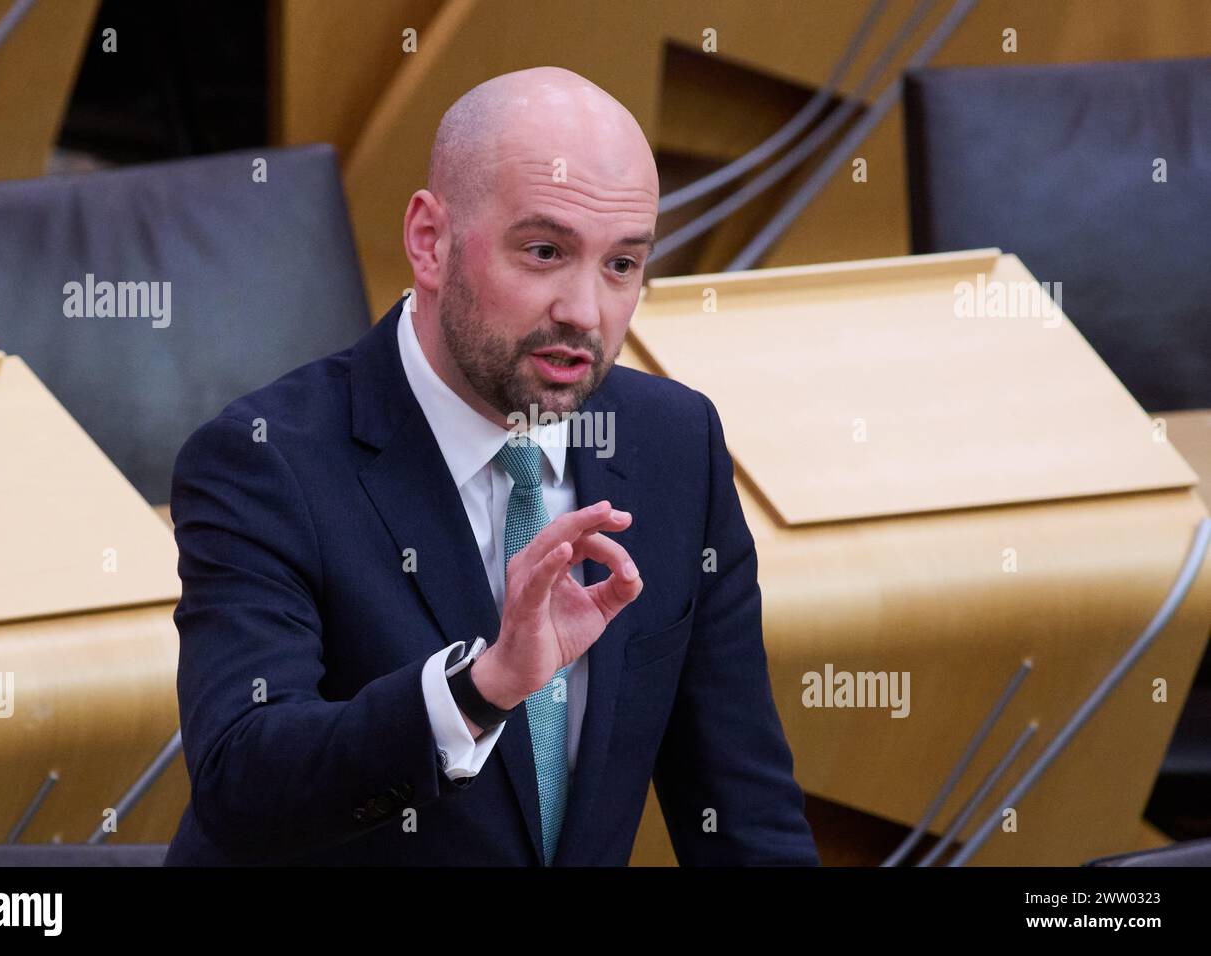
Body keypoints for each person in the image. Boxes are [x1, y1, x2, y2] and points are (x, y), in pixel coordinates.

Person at [164, 66, 818, 866]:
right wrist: (481, 689)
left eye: (621, 265)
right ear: (430, 242)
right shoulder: (263, 463)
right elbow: (244, 782)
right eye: (545, 251)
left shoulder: (678, 445)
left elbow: (745, 815)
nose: (585, 312)